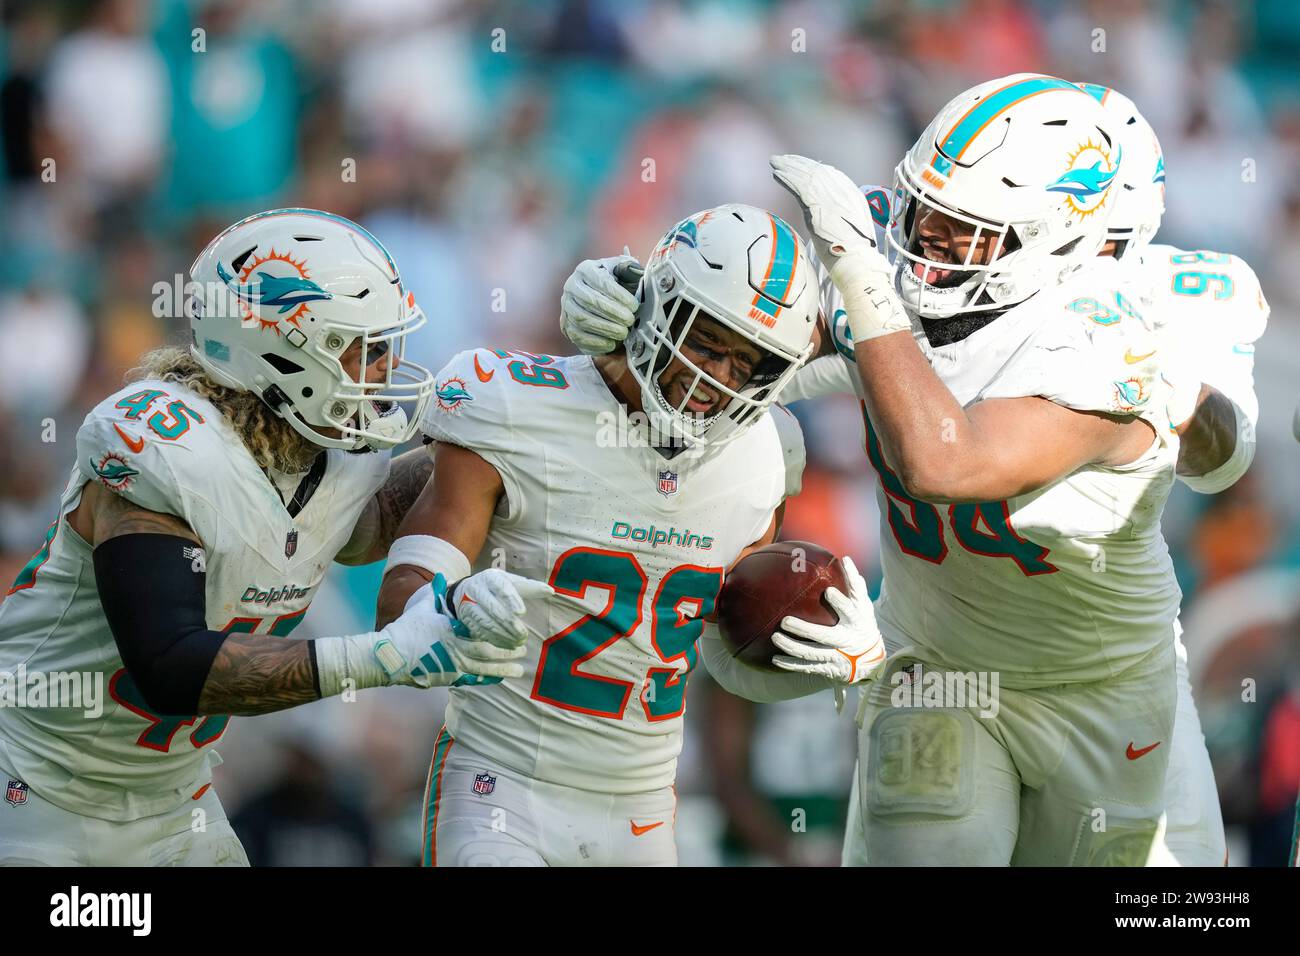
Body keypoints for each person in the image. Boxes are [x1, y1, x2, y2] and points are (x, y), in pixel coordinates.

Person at [564, 74, 1186, 866]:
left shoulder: (1107, 338)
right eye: (924, 211)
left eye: (964, 233)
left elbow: (943, 463)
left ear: (1053, 241)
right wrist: (629, 322)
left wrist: (859, 277)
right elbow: (718, 376)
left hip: (1100, 688)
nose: (925, 243)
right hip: (932, 662)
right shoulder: (895, 253)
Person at [0, 208, 531, 866]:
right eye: (363, 348)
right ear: (284, 348)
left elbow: (372, 524)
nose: (384, 369)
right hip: (34, 793)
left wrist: (520, 421)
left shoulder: (334, 454)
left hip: (172, 801)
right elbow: (169, 664)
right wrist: (382, 657)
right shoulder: (163, 447)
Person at [377, 204, 886, 866]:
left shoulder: (764, 456)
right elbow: (400, 604)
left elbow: (724, 653)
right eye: (707, 343)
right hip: (501, 783)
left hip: (643, 810)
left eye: (748, 363)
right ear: (658, 308)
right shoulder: (514, 406)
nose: (718, 381)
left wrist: (831, 657)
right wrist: (447, 610)